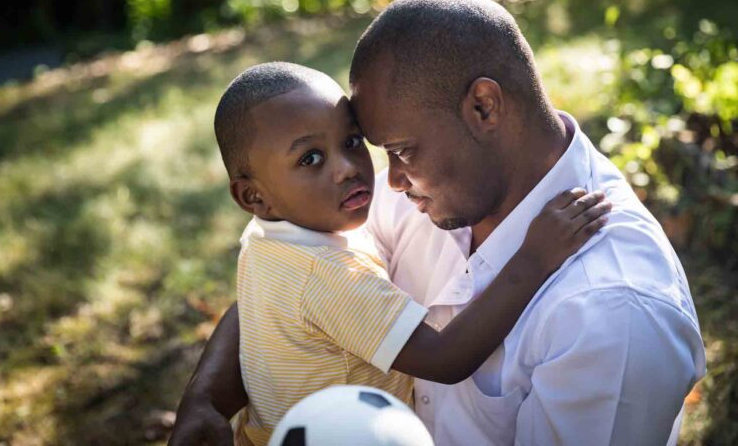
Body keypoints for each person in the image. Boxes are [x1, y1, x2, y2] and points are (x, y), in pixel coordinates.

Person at [170, 0, 706, 446]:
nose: (390, 182)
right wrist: (205, 400)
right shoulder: (403, 192)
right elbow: (281, 279)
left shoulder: (612, 315)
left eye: (400, 151)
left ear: (483, 107)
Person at [202, 61, 608, 445]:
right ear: (254, 196)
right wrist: (533, 259)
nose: (347, 167)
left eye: (352, 141)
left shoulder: (268, 237)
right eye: (310, 158)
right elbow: (446, 359)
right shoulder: (327, 276)